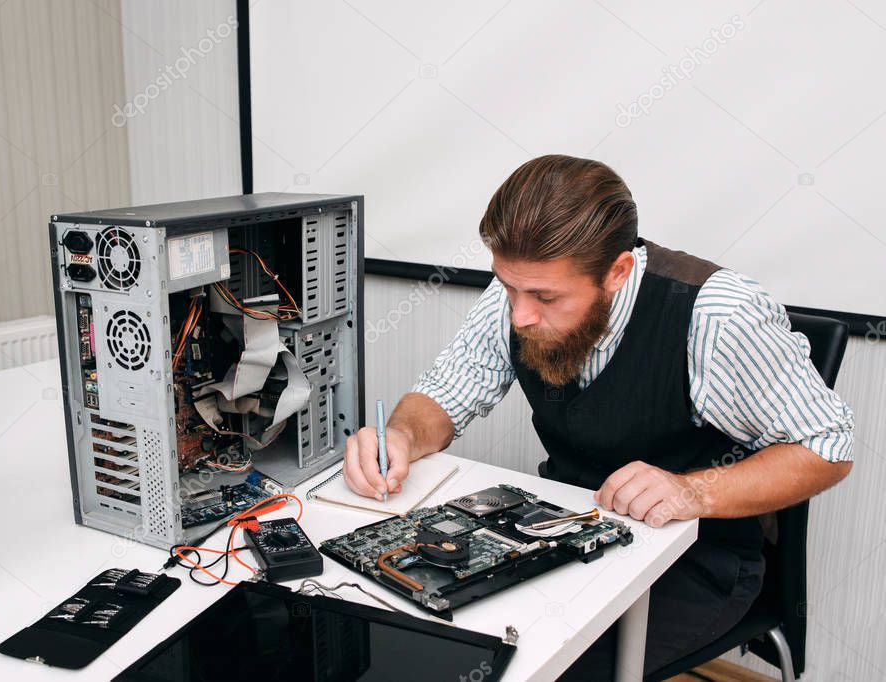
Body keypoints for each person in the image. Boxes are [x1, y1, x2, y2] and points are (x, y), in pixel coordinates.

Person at [343, 155, 854, 679]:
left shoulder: (717, 314)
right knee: (427, 637)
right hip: (563, 528)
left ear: (617, 272)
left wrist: (692, 491)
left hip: (694, 557)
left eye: (545, 297)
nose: (520, 314)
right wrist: (402, 434)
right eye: (509, 287)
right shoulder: (520, 288)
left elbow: (828, 446)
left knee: (540, 670)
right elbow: (445, 394)